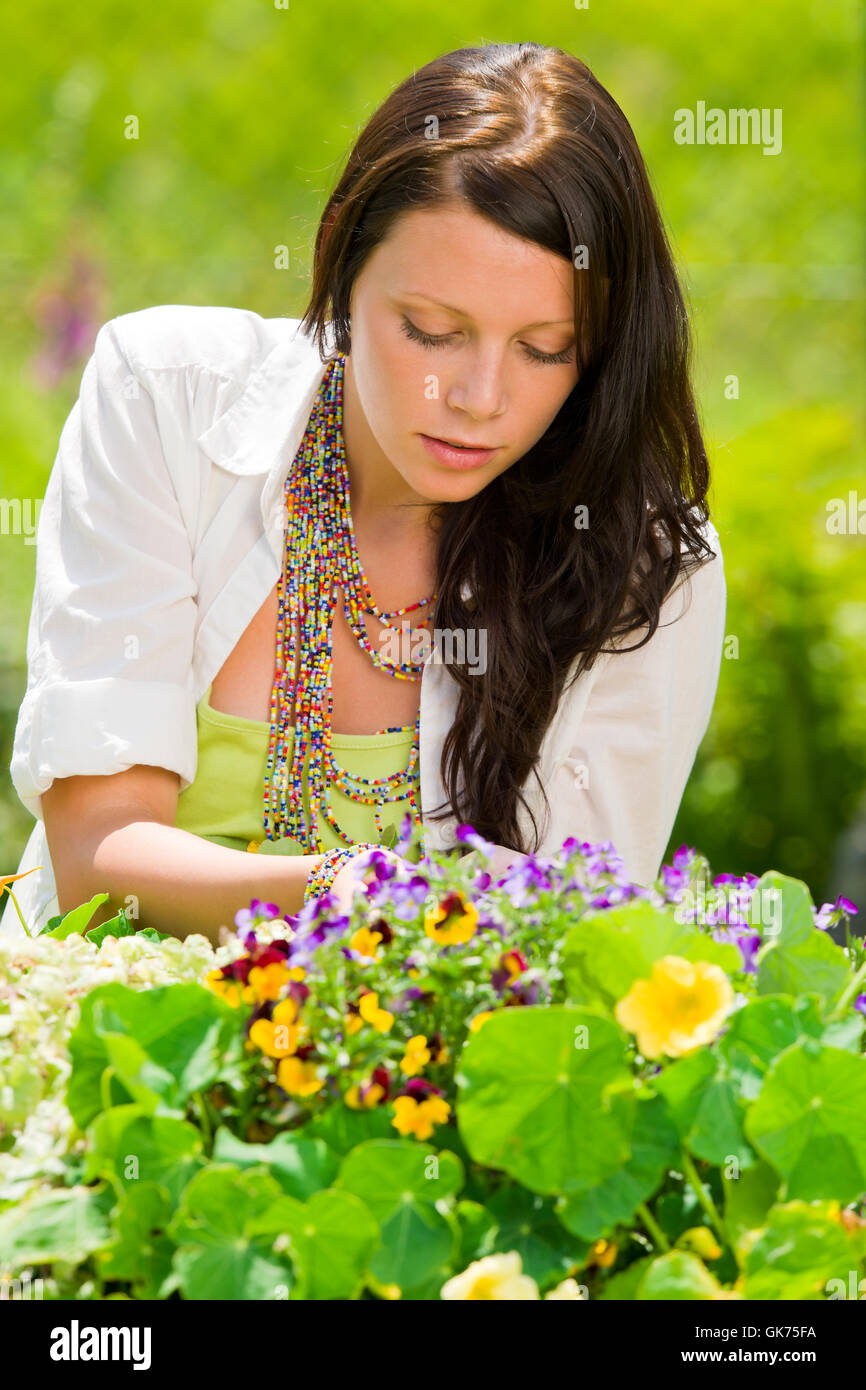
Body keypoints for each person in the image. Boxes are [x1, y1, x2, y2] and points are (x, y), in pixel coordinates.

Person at [2, 41, 726, 945]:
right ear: (343, 269)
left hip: (411, 1077)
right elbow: (99, 862)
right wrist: (361, 892)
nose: (478, 399)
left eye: (546, 348)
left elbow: (567, 941)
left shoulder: (646, 565)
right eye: (430, 331)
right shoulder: (166, 399)